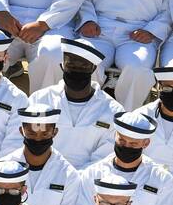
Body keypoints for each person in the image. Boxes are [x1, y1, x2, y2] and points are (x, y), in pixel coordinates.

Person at [28, 39, 127, 170]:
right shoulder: (40, 99)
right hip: (44, 173)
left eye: (83, 67)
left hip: (88, 181)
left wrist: (76, 179)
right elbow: (26, 141)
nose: (77, 71)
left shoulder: (113, 110)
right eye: (72, 66)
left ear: (94, 68)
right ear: (62, 66)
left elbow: (105, 157)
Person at [70, 110, 173, 205]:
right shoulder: (93, 173)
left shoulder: (162, 179)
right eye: (122, 141)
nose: (126, 147)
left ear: (146, 143)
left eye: (133, 144)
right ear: (115, 136)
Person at [7, 103, 85, 205]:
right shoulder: (4, 167)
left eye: (44, 134)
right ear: (22, 131)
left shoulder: (69, 175)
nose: (38, 139)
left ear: (55, 132)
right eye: (32, 134)